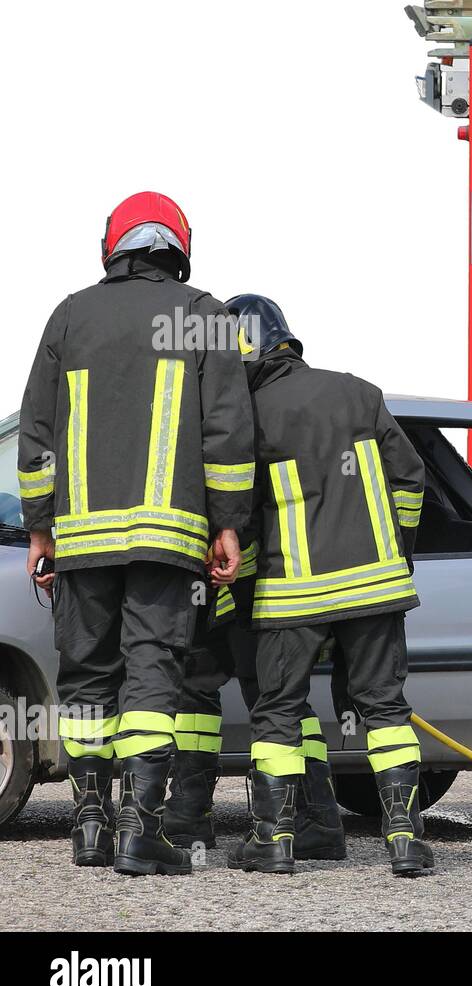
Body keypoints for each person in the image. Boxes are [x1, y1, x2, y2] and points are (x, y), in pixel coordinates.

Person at [18, 192, 253, 874]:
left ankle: (89, 823)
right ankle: (140, 830)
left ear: (111, 248)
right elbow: (228, 434)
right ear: (178, 248)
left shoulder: (69, 316)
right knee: (153, 671)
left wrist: (41, 530)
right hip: (168, 540)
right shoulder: (206, 317)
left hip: (81, 542)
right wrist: (229, 525)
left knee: (87, 672)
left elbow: (37, 434)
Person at [223, 294, 431, 876]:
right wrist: (397, 560)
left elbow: (239, 517)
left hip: (292, 594)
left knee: (277, 713)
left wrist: (238, 597)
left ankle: (275, 840)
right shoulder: (359, 392)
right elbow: (410, 483)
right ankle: (405, 841)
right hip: (377, 588)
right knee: (385, 709)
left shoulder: (250, 416)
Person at [164, 525, 347, 861]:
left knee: (272, 692)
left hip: (256, 573)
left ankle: (315, 819)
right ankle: (188, 811)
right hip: (213, 575)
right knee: (198, 681)